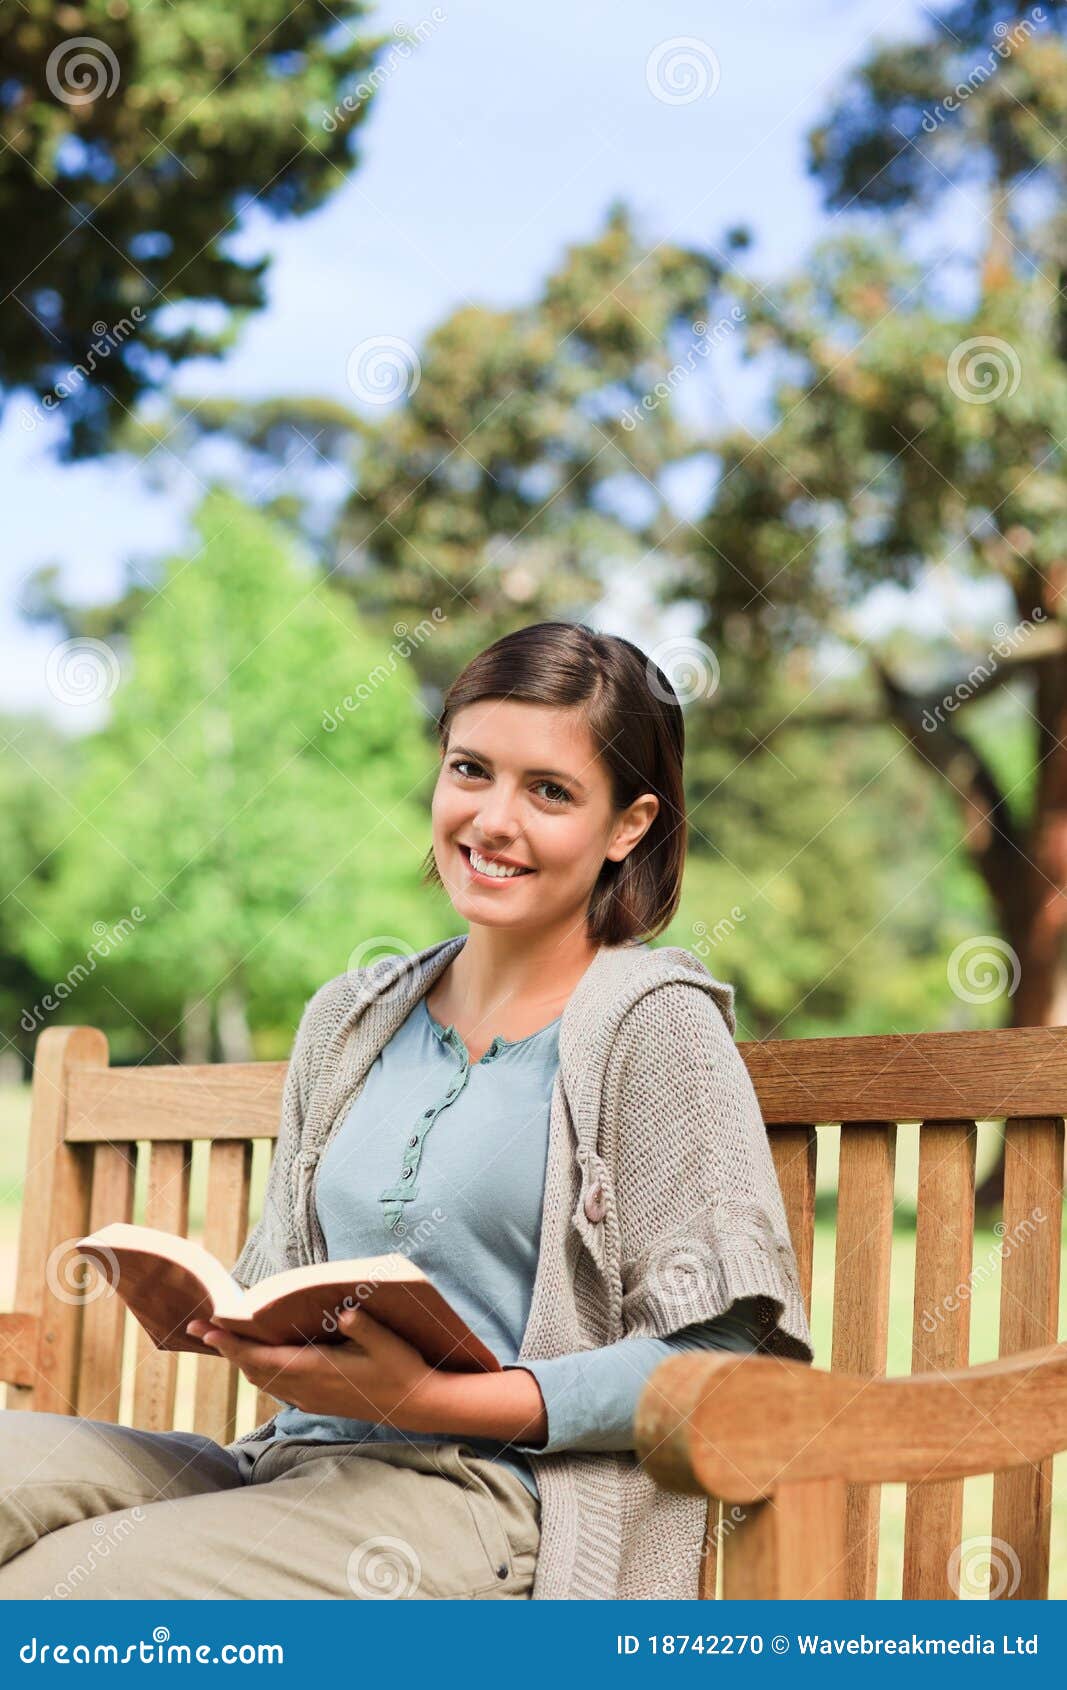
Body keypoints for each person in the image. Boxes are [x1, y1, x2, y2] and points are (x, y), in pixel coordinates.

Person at [0, 620, 812, 1601]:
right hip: (289, 1468)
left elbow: (724, 1358)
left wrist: (436, 1399)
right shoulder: (351, 1019)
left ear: (627, 825)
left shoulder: (654, 1028)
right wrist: (246, 1329)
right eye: (471, 769)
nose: (492, 819)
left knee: (56, 1592)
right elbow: (287, 1283)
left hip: (488, 1500)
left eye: (548, 791)